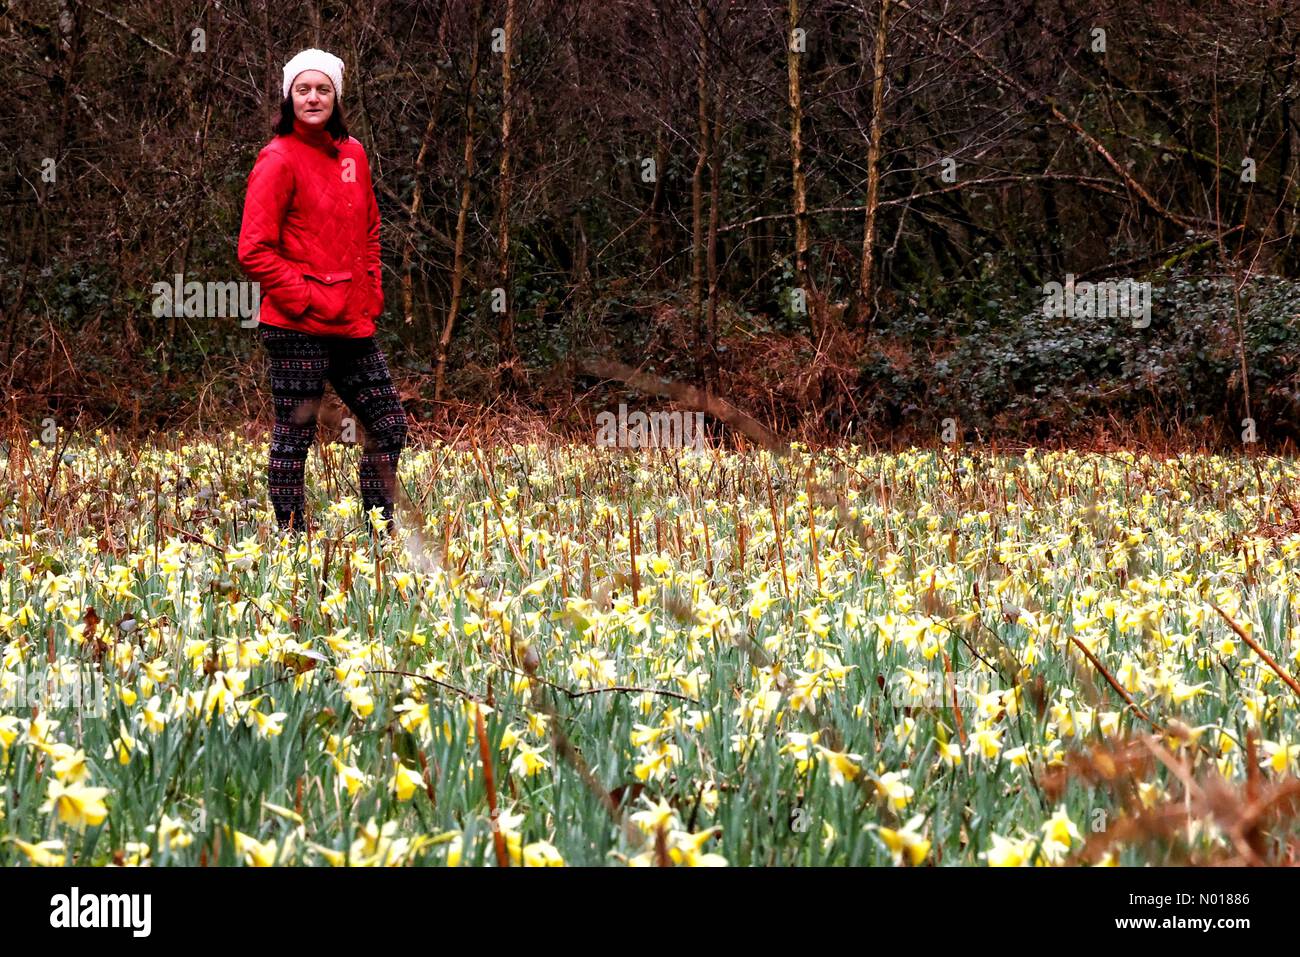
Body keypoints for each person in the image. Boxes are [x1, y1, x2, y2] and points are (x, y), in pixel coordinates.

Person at [238, 48, 407, 535]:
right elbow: (254, 249)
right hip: (296, 325)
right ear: (289, 97)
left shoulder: (353, 153)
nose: (313, 98)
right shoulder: (277, 159)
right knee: (296, 435)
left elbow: (371, 227)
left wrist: (371, 291)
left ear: (337, 95)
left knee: (388, 424)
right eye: (303, 90)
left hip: (352, 320)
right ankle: (292, 541)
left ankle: (379, 533)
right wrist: (305, 298)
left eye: (323, 89)